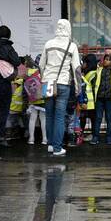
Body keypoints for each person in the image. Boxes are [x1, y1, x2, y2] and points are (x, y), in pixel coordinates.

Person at [39, 18, 81, 158]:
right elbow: (76, 69)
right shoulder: (72, 46)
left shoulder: (48, 44)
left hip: (48, 83)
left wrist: (44, 78)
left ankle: (51, 145)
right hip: (63, 84)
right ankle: (57, 148)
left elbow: (41, 65)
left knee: (49, 114)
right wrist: (78, 88)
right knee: (59, 116)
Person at [88, 52, 111, 145]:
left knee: (109, 118)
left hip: (110, 98)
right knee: (98, 118)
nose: (106, 61)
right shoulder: (99, 70)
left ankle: (109, 137)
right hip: (99, 98)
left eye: (109, 59)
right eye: (105, 59)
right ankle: (95, 137)